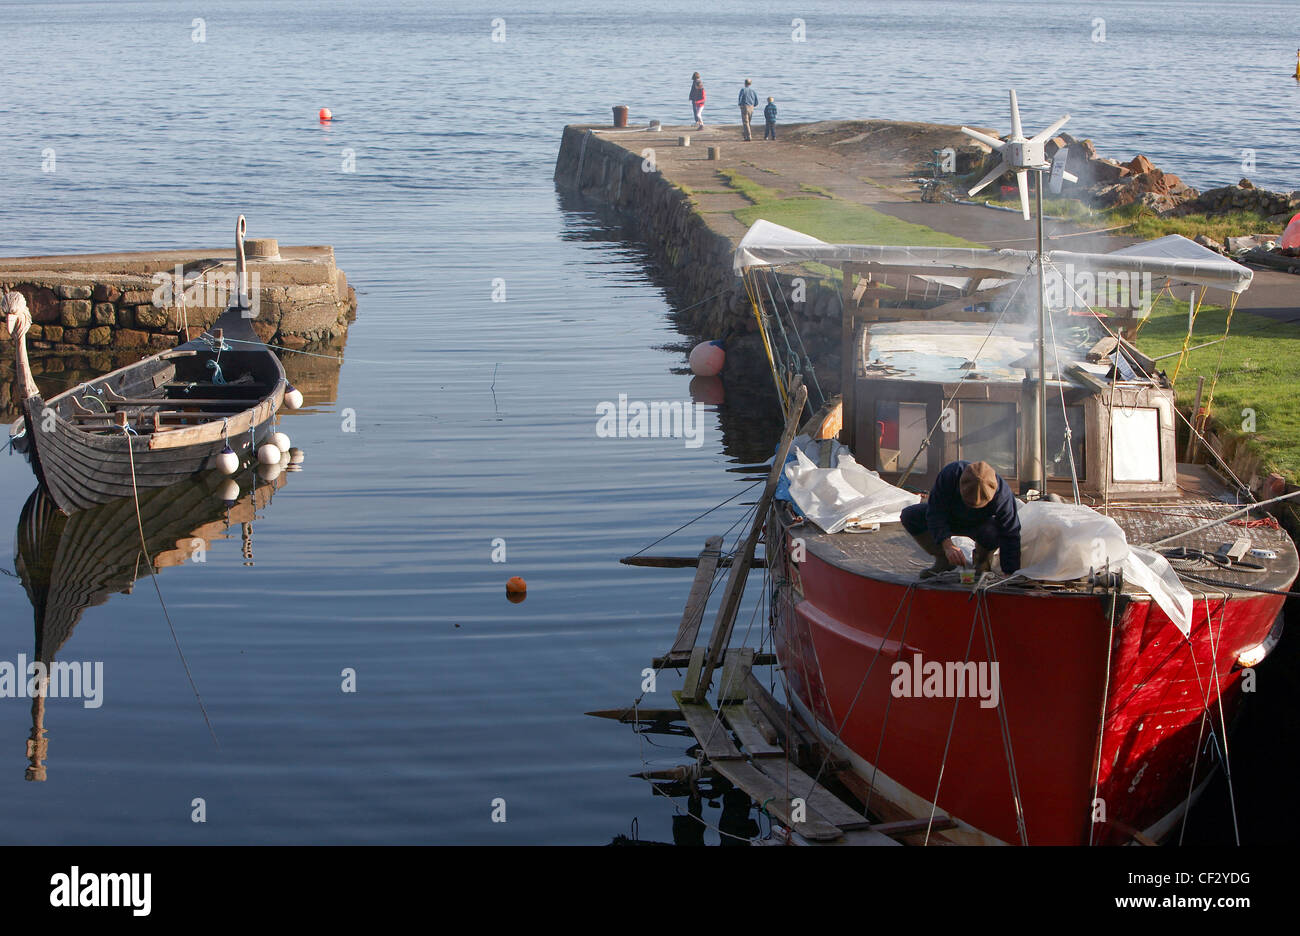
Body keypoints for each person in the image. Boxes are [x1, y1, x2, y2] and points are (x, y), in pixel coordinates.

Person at [900, 460, 1021, 579]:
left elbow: (1010, 533)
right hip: (950, 519)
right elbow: (935, 513)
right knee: (910, 515)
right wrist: (947, 545)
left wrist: (1009, 573)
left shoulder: (1003, 495)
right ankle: (944, 560)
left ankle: (982, 563)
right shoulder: (949, 474)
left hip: (980, 526)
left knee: (994, 531)